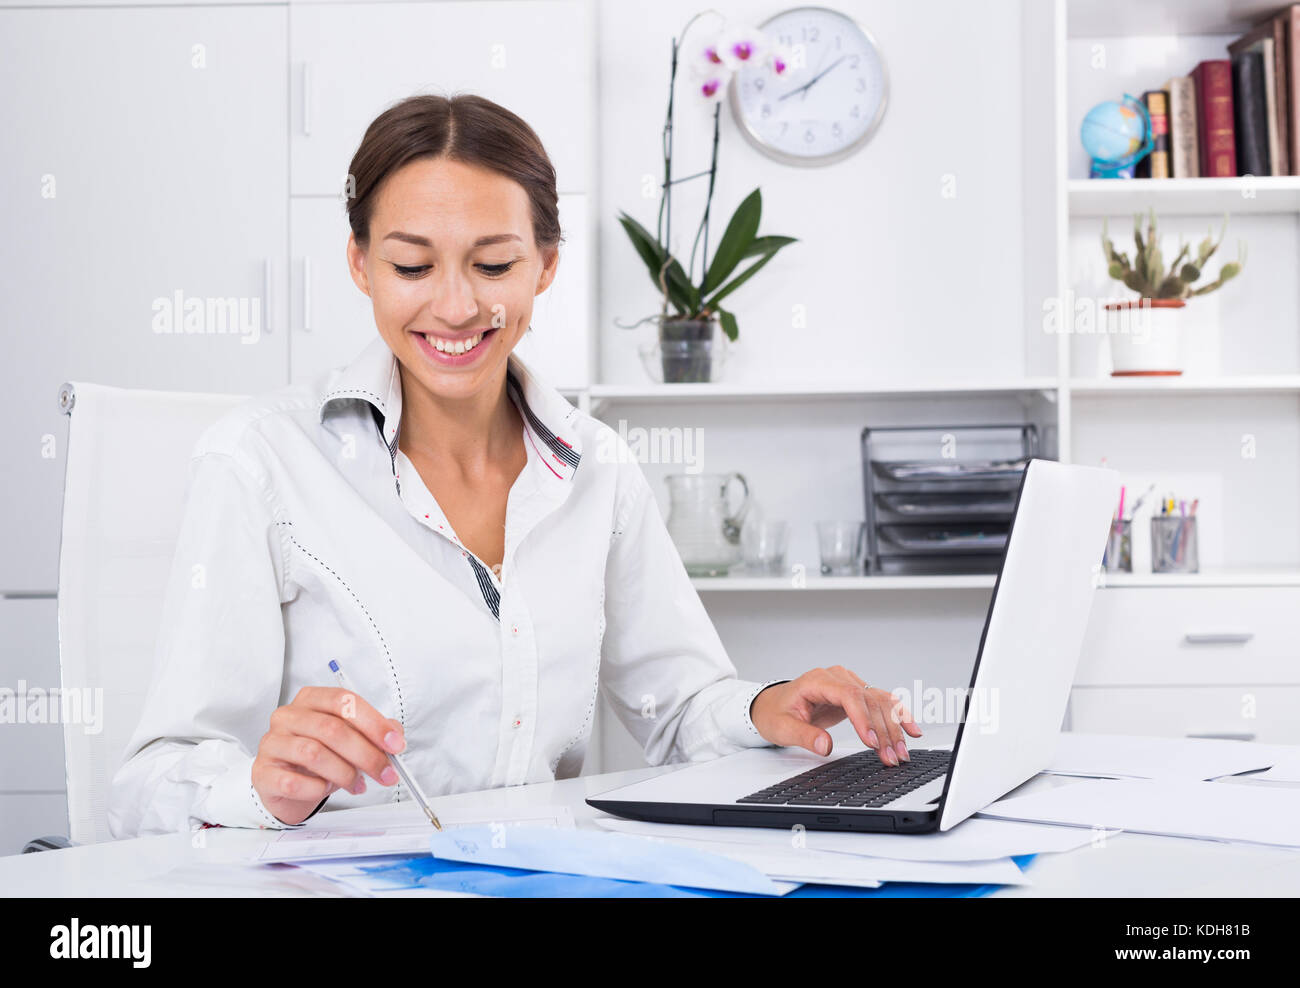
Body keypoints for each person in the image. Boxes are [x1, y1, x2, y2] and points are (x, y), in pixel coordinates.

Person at [109, 93, 919, 837]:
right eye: (411, 266)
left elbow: (677, 708)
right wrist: (259, 787)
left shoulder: (596, 467)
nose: (457, 306)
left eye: (494, 265)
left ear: (546, 265)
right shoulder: (261, 462)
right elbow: (150, 783)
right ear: (360, 264)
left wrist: (767, 707)